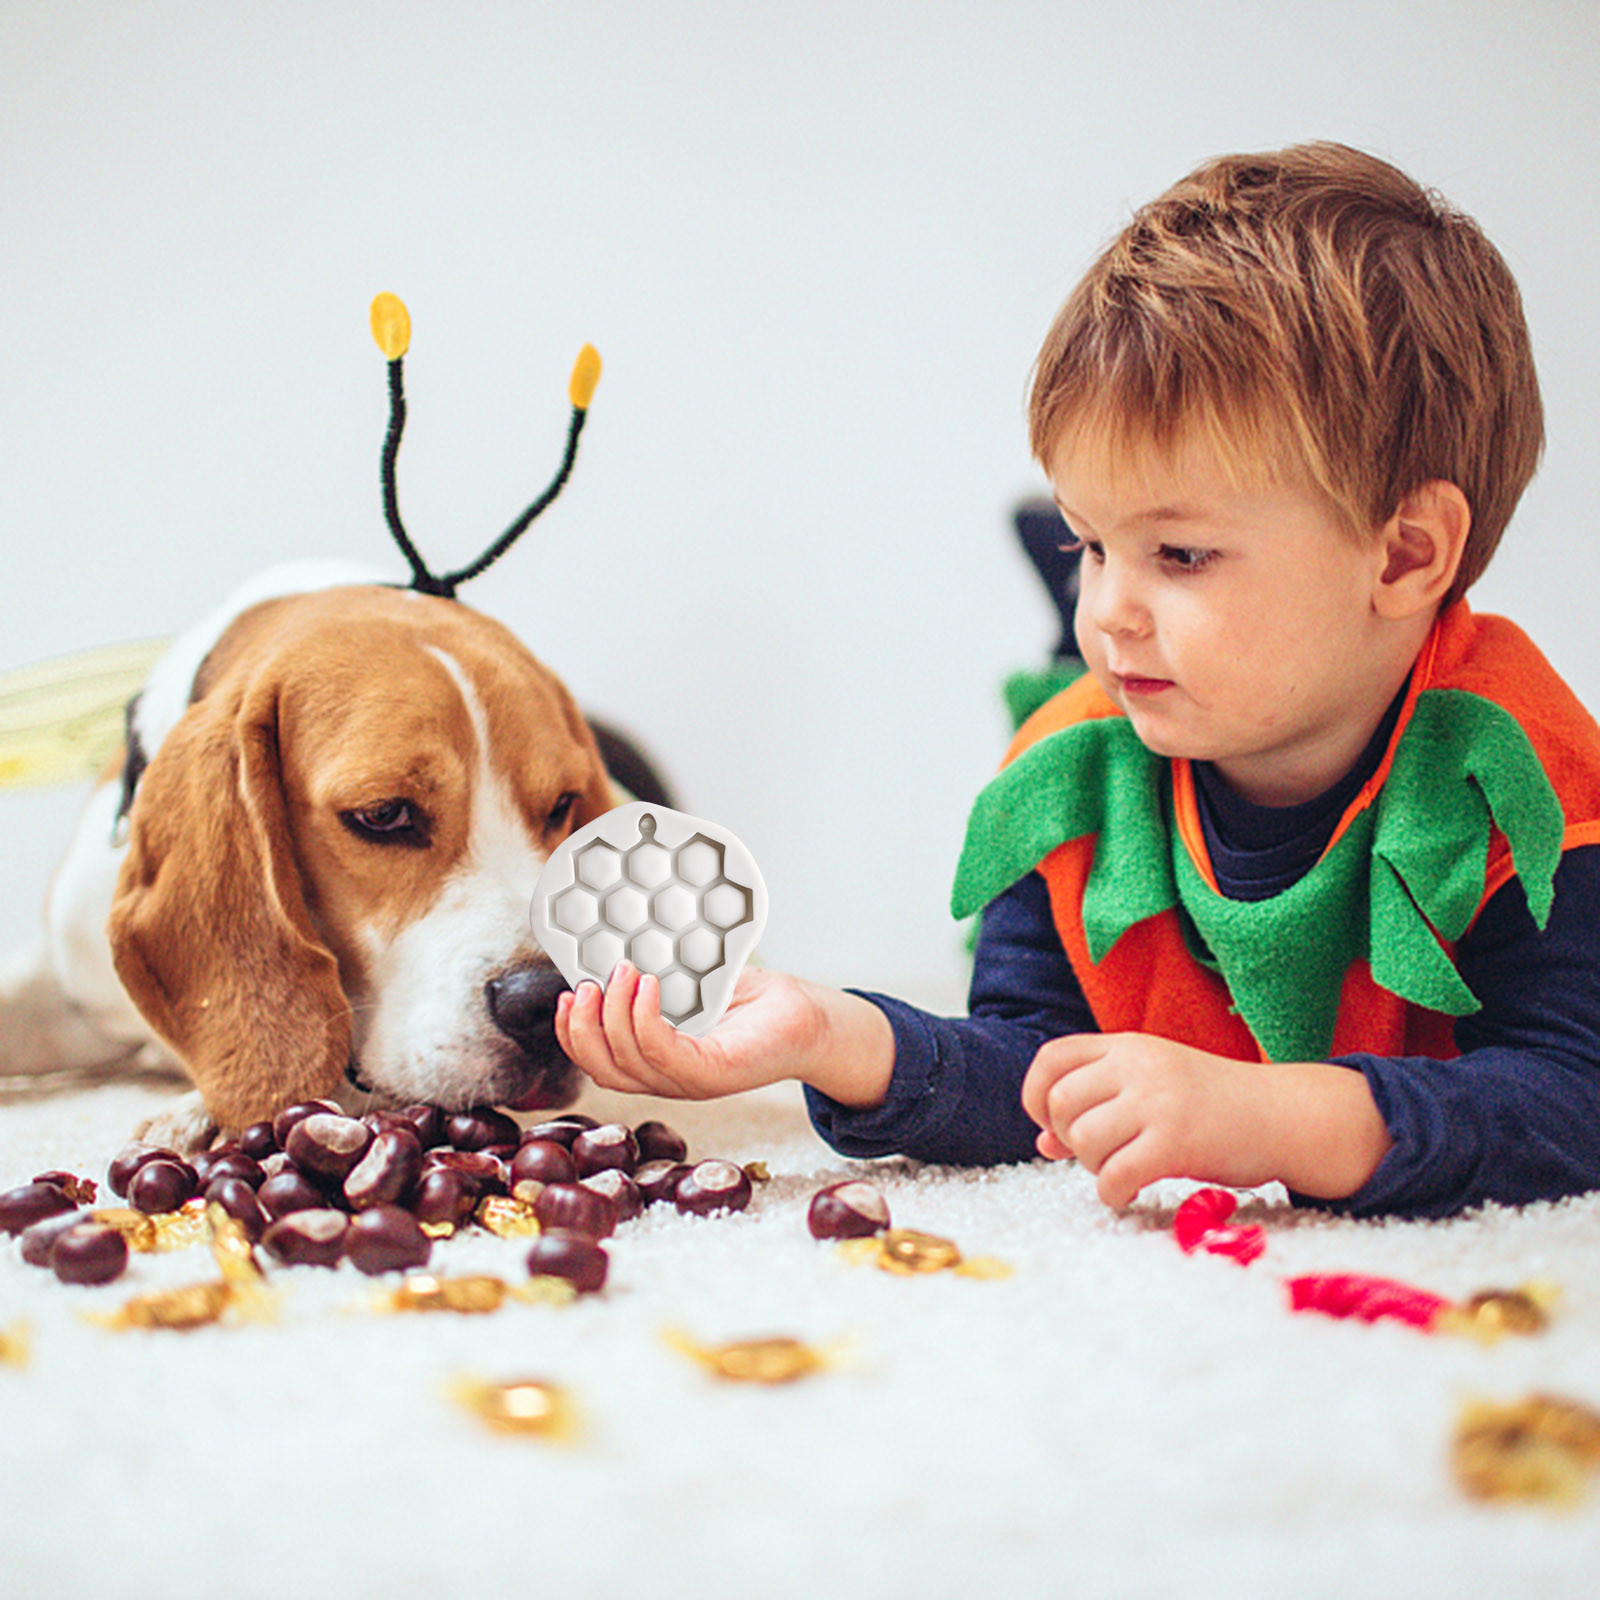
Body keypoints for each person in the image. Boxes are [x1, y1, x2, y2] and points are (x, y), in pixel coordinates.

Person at [555, 142, 1600, 1220]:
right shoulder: (1067, 772)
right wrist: (830, 1035)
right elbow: (1036, 1070)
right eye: (1088, 545)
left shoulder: (1517, 780)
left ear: (1403, 556)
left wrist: (1274, 1115)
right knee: (1078, 680)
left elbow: (1572, 1095)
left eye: (1179, 554)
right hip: (1115, 752)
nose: (1113, 607)